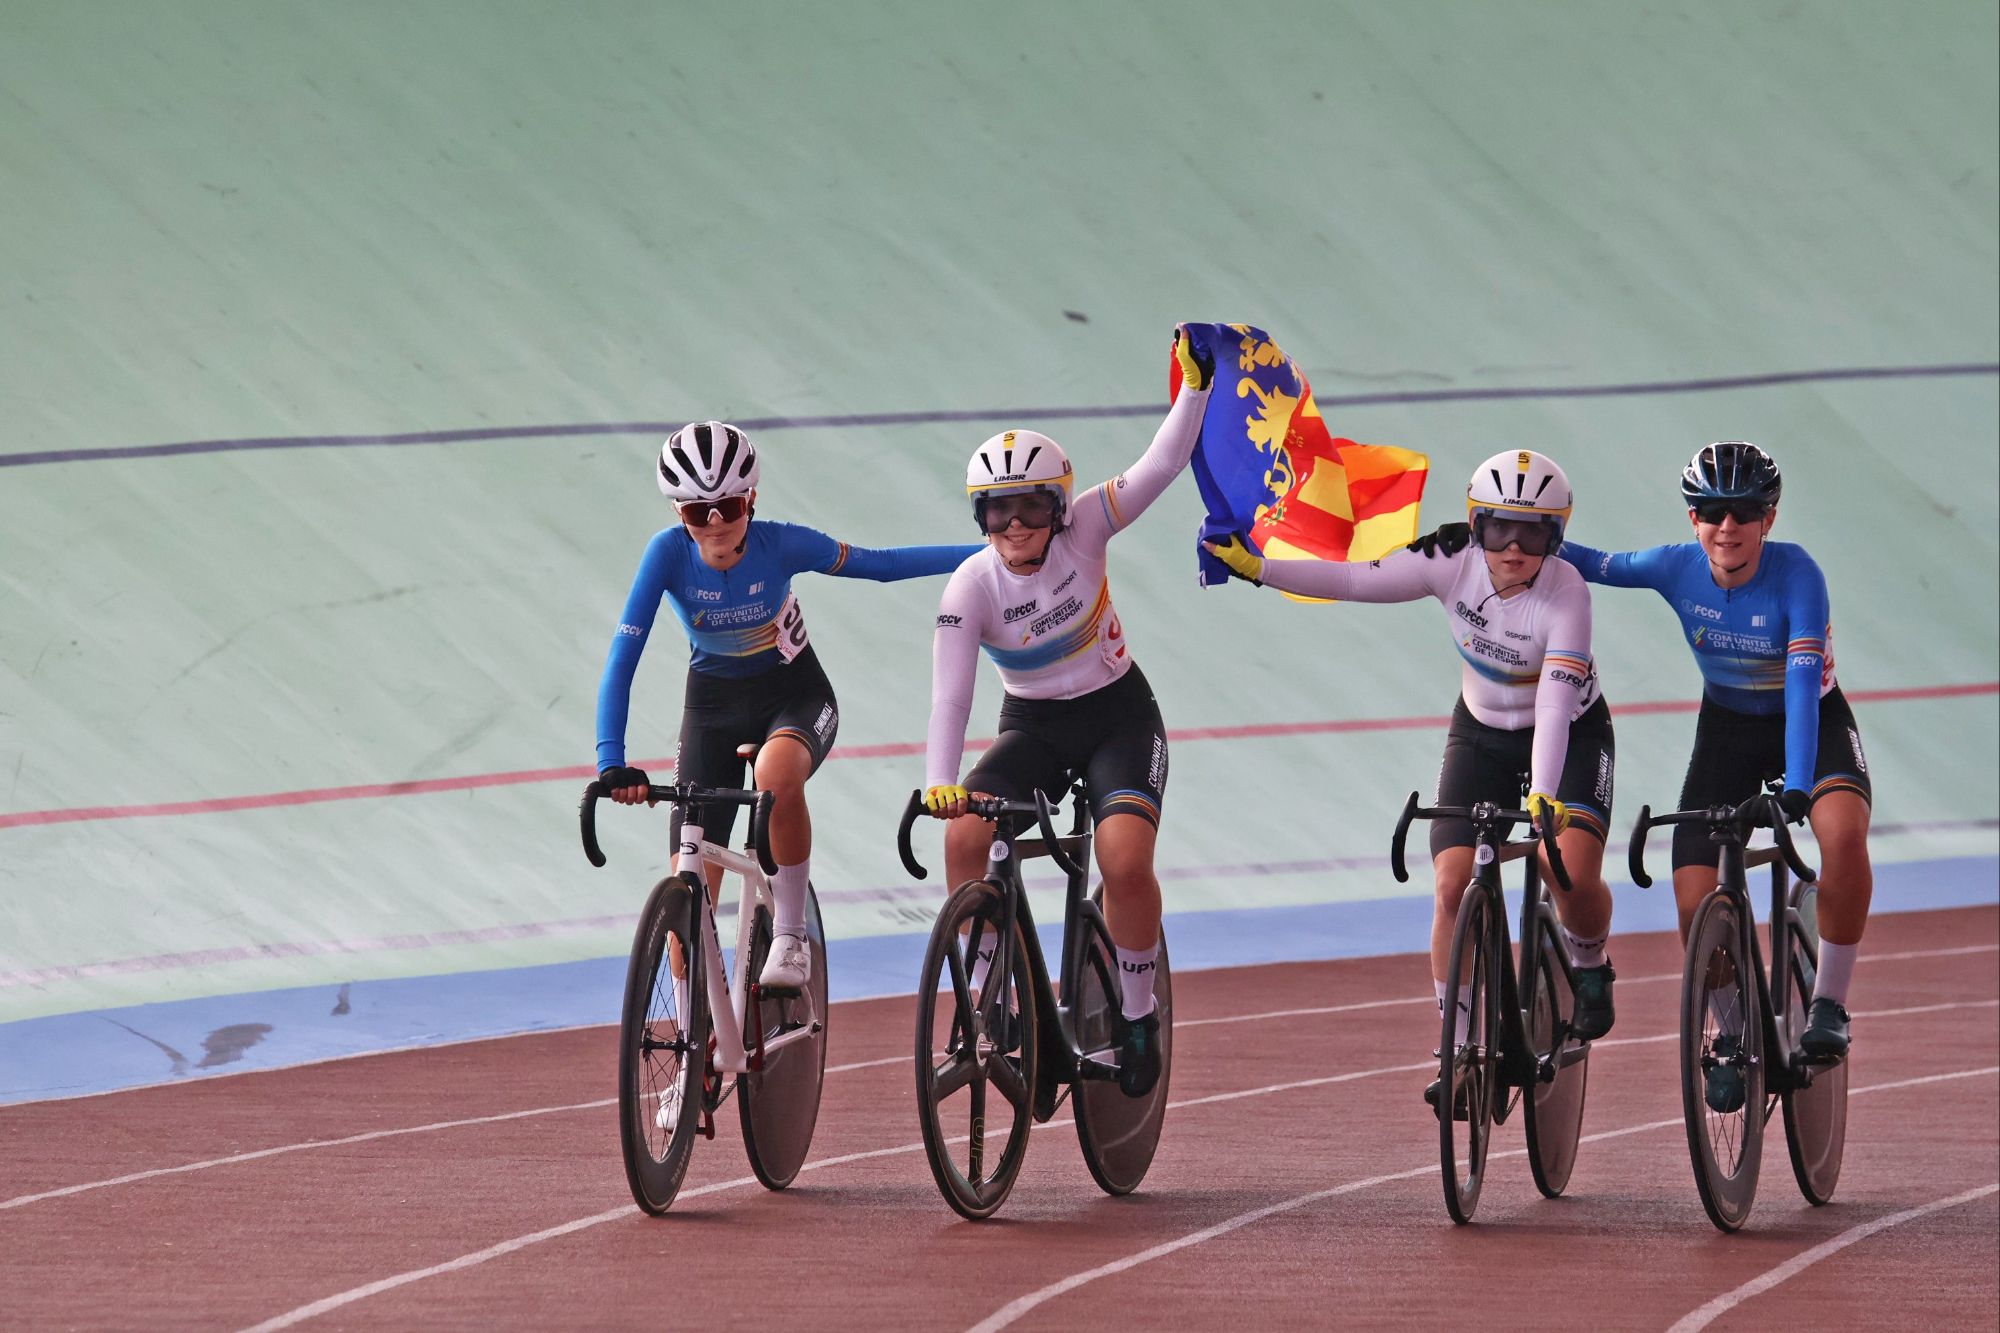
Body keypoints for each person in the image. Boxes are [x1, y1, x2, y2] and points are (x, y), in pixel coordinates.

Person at [1207, 449, 1620, 1110]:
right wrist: (1260, 569)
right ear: (1474, 525)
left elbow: (1553, 706)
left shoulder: (1566, 591)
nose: (1513, 548)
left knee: (1564, 865)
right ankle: (1457, 1046)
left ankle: (1592, 961)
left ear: (1556, 538)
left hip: (1569, 732)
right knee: (1453, 884)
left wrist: (1544, 791)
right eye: (1498, 529)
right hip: (1481, 733)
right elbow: (1351, 580)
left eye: (1534, 533)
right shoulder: (1448, 559)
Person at [595, 420, 979, 1011]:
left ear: (751, 498)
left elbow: (878, 564)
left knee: (777, 773)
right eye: (700, 513)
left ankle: (791, 935)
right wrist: (611, 762)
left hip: (795, 698)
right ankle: (690, 1055)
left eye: (727, 505)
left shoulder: (782, 543)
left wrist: (990, 553)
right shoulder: (665, 555)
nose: (716, 524)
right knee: (686, 899)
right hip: (712, 711)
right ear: (680, 516)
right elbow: (625, 655)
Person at [921, 325, 1214, 1098]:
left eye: (1027, 507)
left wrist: (1198, 387)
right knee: (964, 835)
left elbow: (1163, 463)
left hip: (1119, 717)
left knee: (1122, 861)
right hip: (1035, 728)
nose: (1013, 525)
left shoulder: (1088, 525)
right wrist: (938, 780)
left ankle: (1141, 1011)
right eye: (995, 511)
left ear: (1056, 505)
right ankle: (992, 999)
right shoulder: (969, 588)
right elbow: (951, 696)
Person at [1551, 441, 1869, 1109]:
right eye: (1712, 511)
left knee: (1840, 837)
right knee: (1695, 898)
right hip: (1725, 729)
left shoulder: (1799, 576)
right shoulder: (1676, 566)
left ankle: (1829, 1004)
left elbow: (1805, 683)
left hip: (1808, 720)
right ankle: (1729, 1033)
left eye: (1744, 511)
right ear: (1693, 518)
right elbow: (1594, 563)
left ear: (1769, 518)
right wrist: (1507, 535)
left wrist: (1799, 789)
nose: (1727, 526)